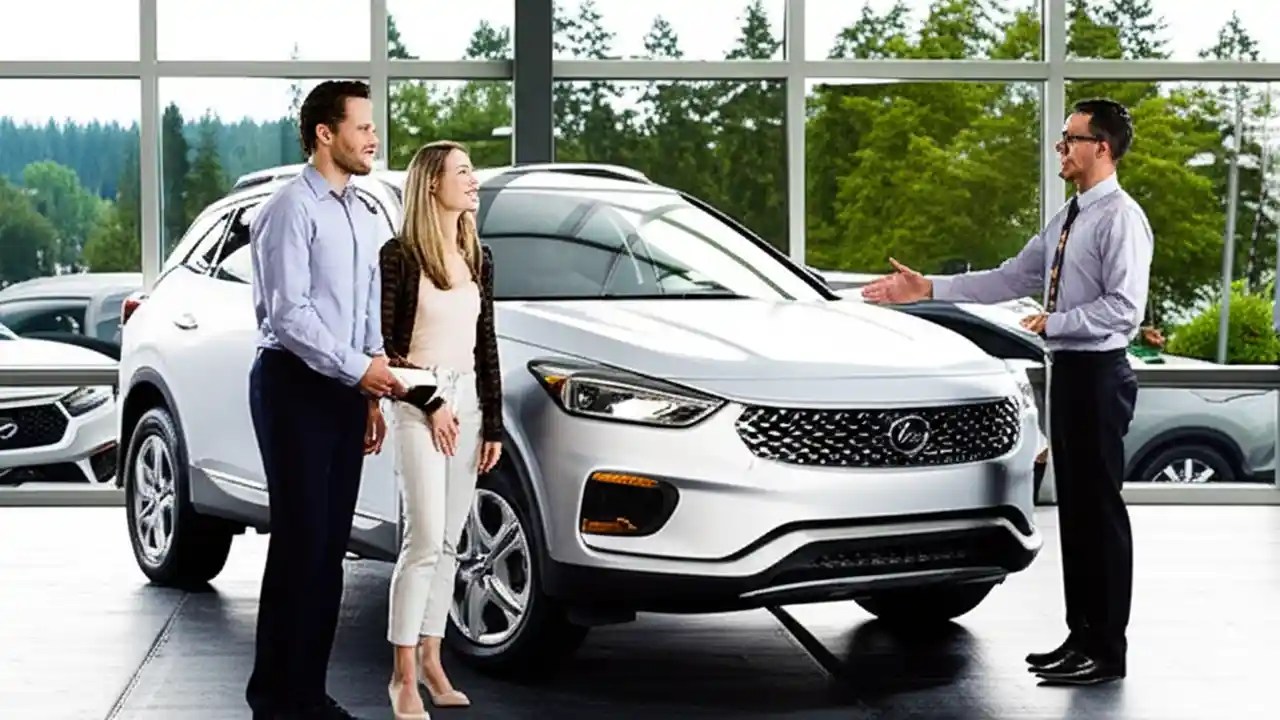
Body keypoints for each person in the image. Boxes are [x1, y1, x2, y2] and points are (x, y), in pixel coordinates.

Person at [862, 97, 1152, 686]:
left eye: (1070, 139)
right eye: (1061, 138)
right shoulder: (1070, 216)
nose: (1060, 149)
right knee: (1075, 511)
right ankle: (1082, 639)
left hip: (1099, 375)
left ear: (1103, 147)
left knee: (1100, 515)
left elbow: (1125, 309)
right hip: (1069, 373)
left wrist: (1056, 324)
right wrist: (928, 288)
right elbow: (1012, 275)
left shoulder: (1120, 218)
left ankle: (1108, 650)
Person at [245, 79, 404, 720]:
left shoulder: (363, 213)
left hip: (343, 389)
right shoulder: (290, 208)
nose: (373, 138)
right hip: (292, 384)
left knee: (329, 547)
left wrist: (368, 388)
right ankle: (274, 698)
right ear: (325, 134)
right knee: (300, 542)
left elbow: (367, 308)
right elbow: (290, 315)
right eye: (363, 127)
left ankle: (308, 693)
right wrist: (356, 371)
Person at [378, 140, 503, 719]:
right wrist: (431, 402)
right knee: (423, 540)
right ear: (432, 185)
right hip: (416, 399)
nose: (473, 181)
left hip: (469, 403)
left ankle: (432, 658)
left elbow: (487, 348)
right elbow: (383, 350)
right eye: (463, 173)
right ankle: (402, 677)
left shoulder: (478, 256)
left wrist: (493, 421)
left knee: (452, 542)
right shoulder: (399, 256)